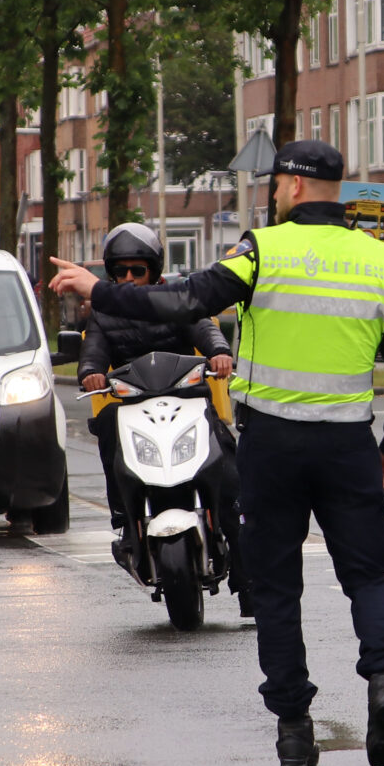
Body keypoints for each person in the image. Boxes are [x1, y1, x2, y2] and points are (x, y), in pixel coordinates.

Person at [49, 139, 384, 766]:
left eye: (277, 182)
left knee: (277, 587)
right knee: (369, 575)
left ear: (297, 186)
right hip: (347, 446)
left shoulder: (262, 250)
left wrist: (99, 291)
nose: (273, 191)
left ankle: (295, 732)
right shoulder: (381, 260)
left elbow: (186, 302)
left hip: (274, 444)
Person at [78, 223, 234, 534]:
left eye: (137, 270)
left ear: (154, 270)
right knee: (107, 423)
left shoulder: (174, 299)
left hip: (185, 398)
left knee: (223, 441)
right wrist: (90, 373)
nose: (129, 279)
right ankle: (123, 512)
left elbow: (202, 326)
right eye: (120, 272)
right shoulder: (102, 312)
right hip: (133, 405)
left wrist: (219, 350)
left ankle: (233, 521)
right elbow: (93, 349)